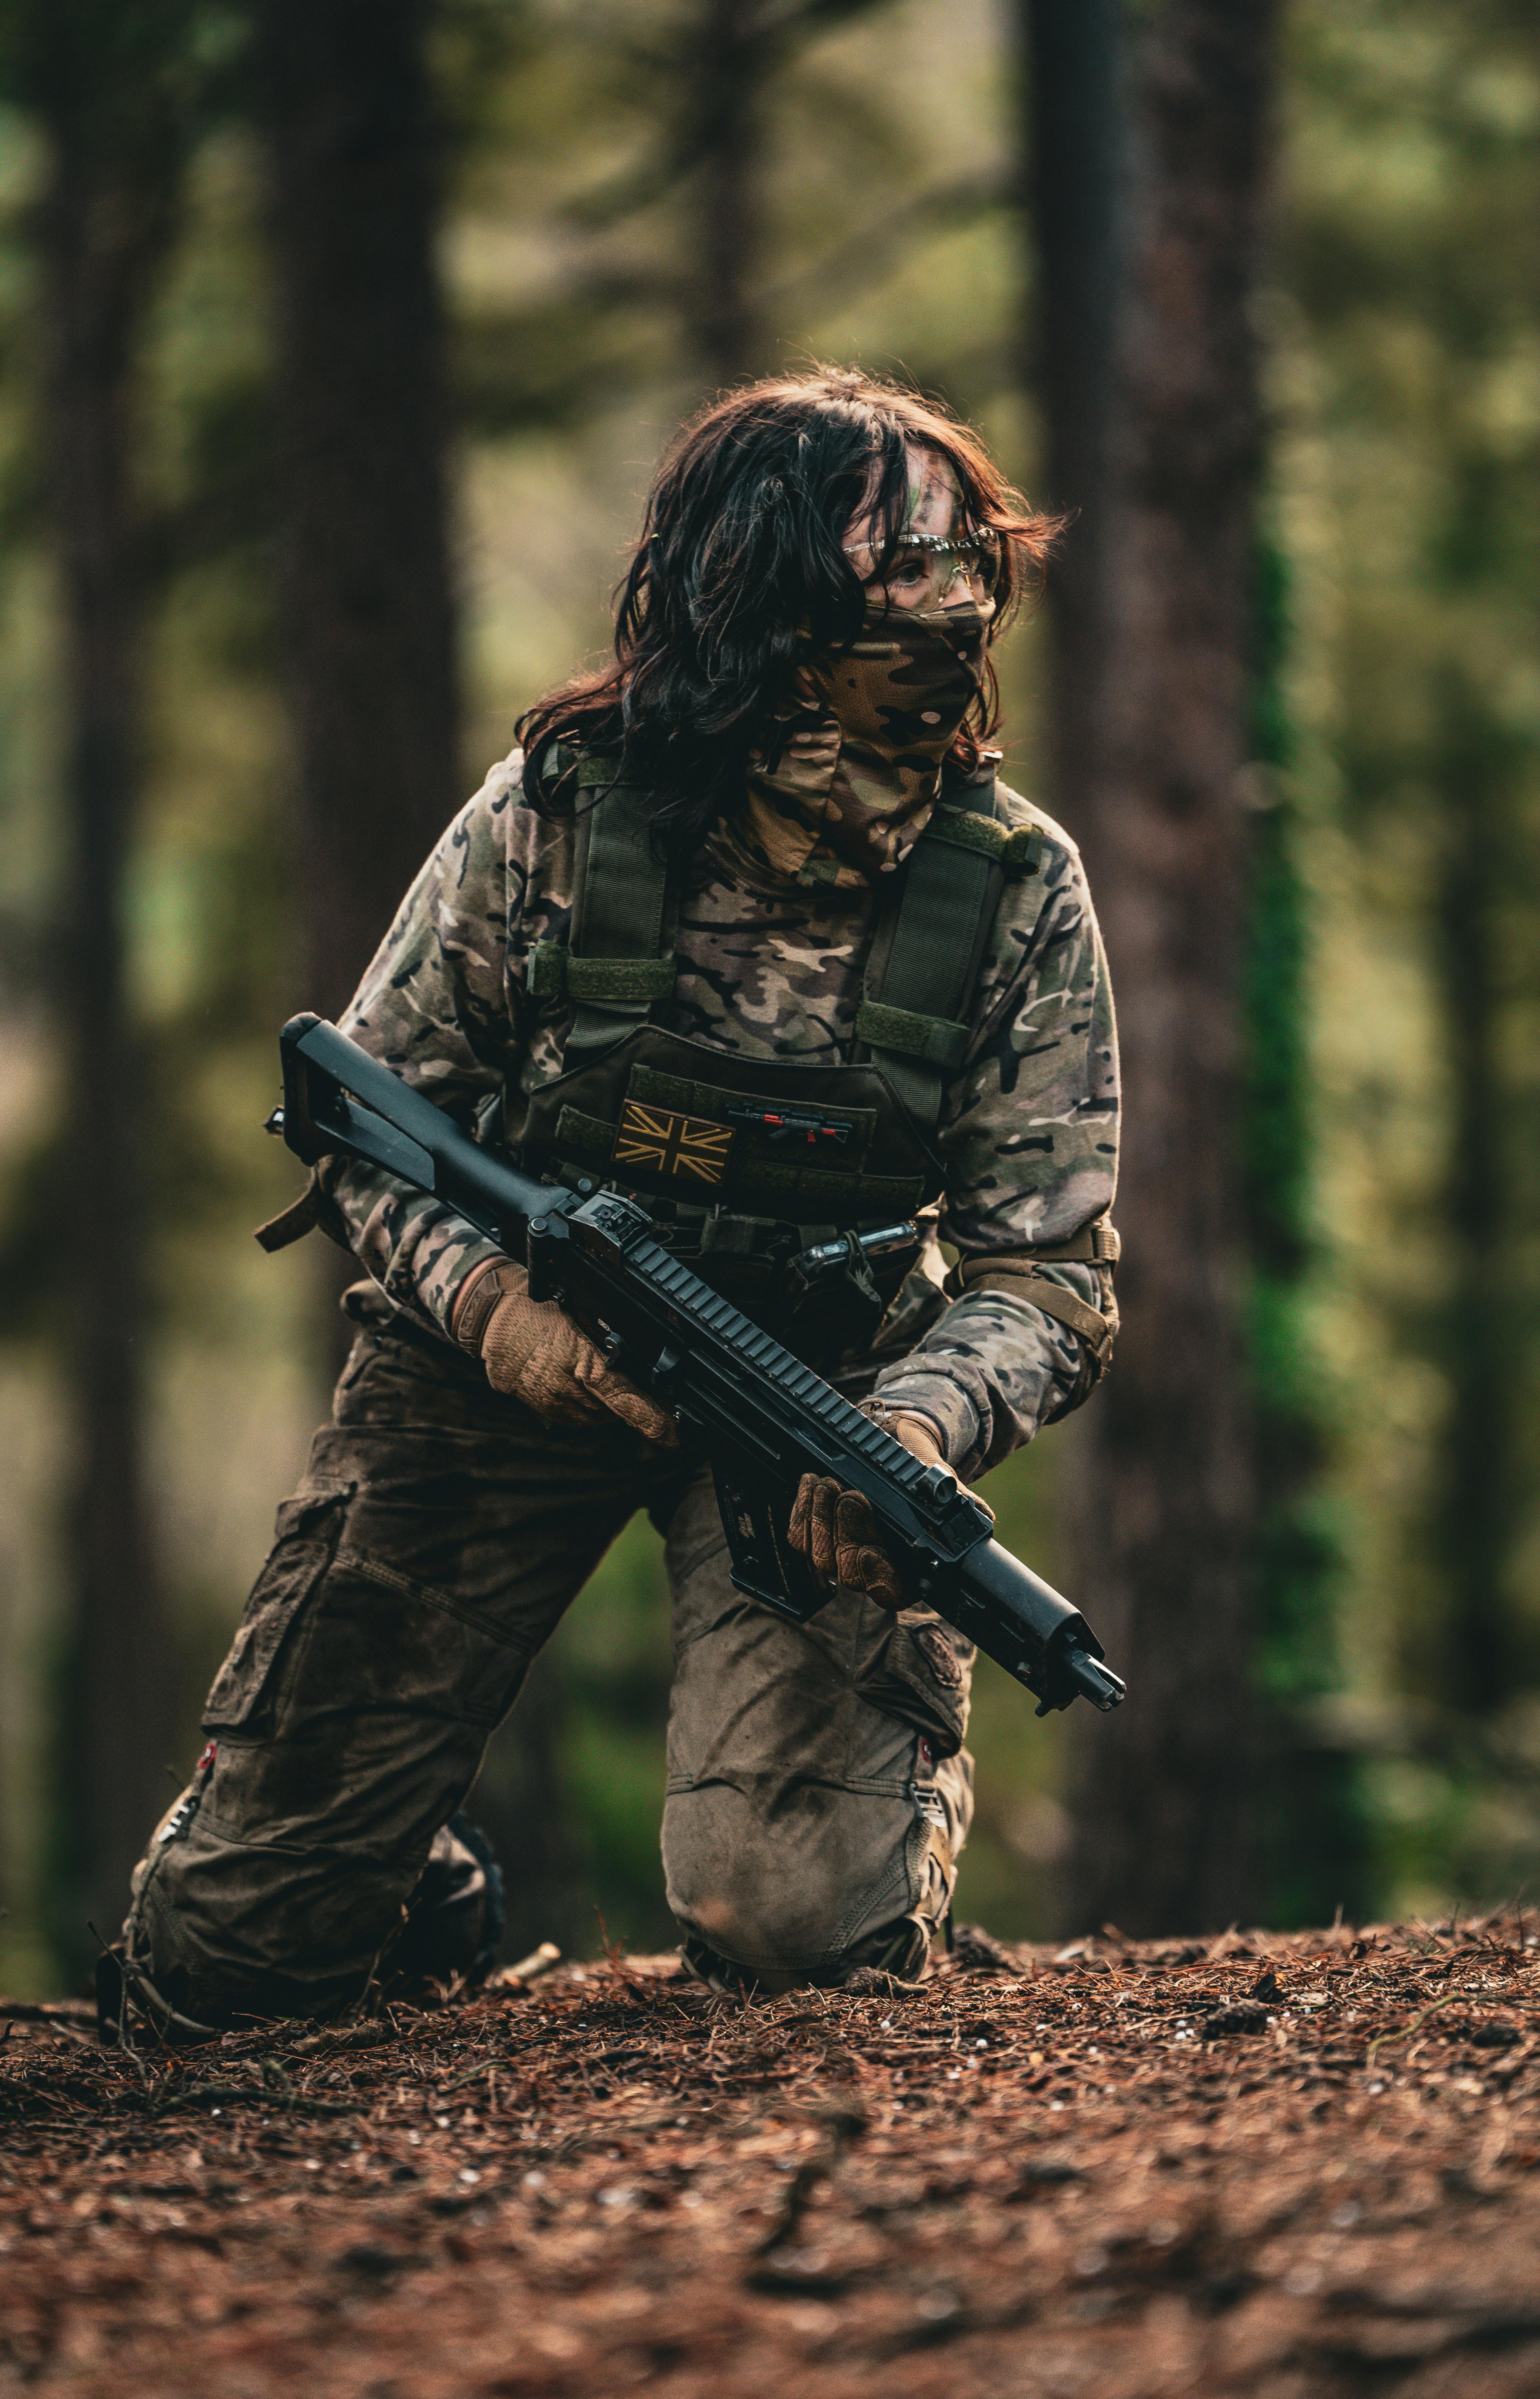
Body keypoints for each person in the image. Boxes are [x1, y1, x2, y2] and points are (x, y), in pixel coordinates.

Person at [116, 368, 1120, 2030]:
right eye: (889, 639)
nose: (936, 678)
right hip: (494, 1373)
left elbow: (1052, 1270)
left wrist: (918, 1434)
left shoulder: (1011, 889)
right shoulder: (561, 818)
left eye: (959, 631)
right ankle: (399, 1876)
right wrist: (501, 1314)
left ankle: (882, 1819)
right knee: (230, 1959)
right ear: (761, 627)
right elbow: (373, 1120)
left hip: (820, 1408)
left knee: (799, 1931)